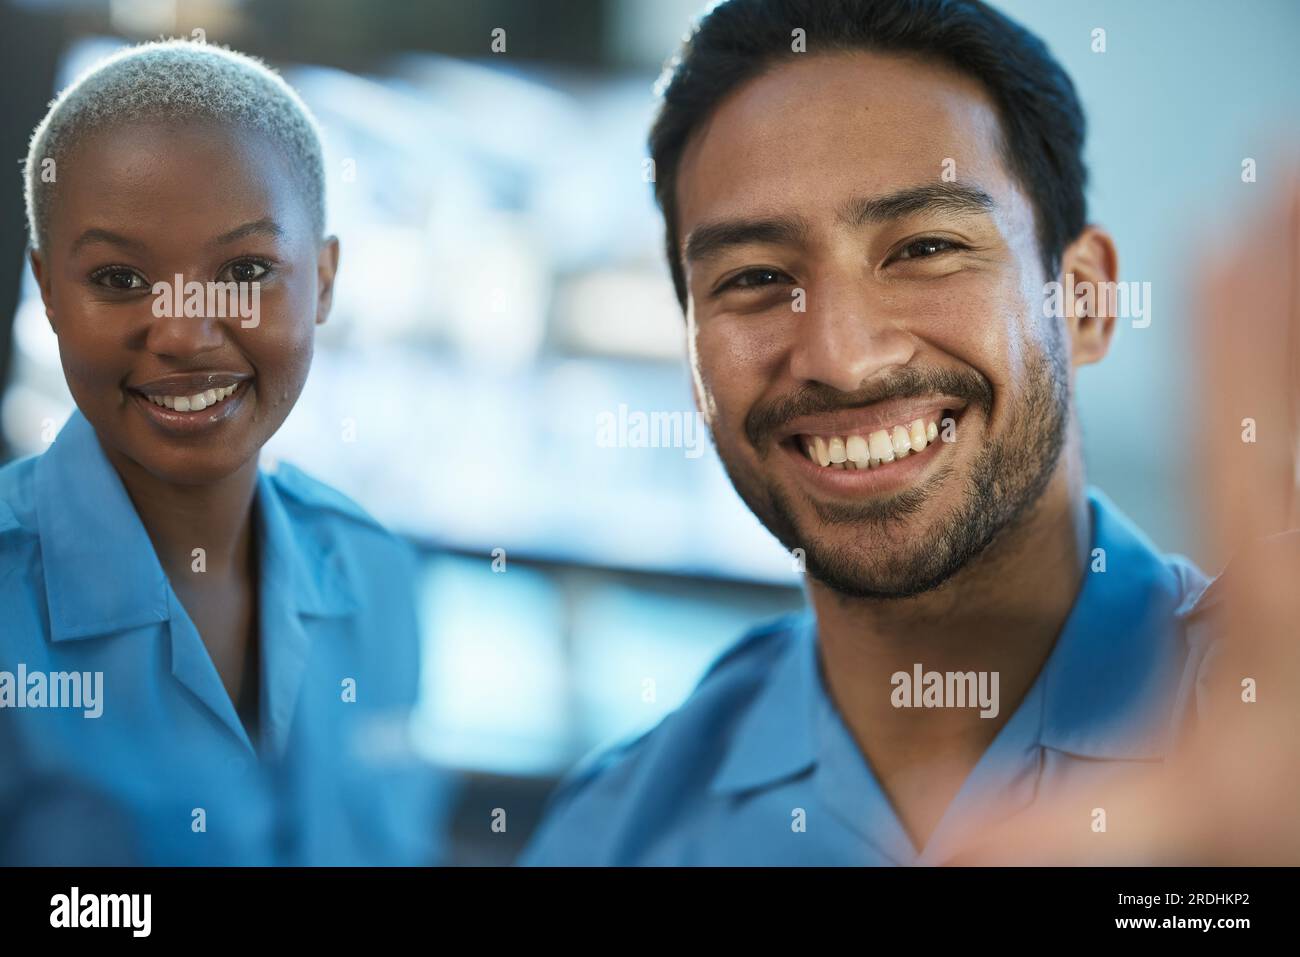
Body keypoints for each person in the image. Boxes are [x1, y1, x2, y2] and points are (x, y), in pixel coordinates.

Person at [521, 0, 1300, 865]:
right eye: (754, 276)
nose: (844, 359)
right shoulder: (614, 832)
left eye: (925, 247)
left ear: (1081, 299)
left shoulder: (1274, 726)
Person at [0, 40, 440, 865]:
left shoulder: (373, 571)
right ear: (50, 292)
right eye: (121, 280)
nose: (185, 333)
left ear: (324, 281)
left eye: (243, 270)